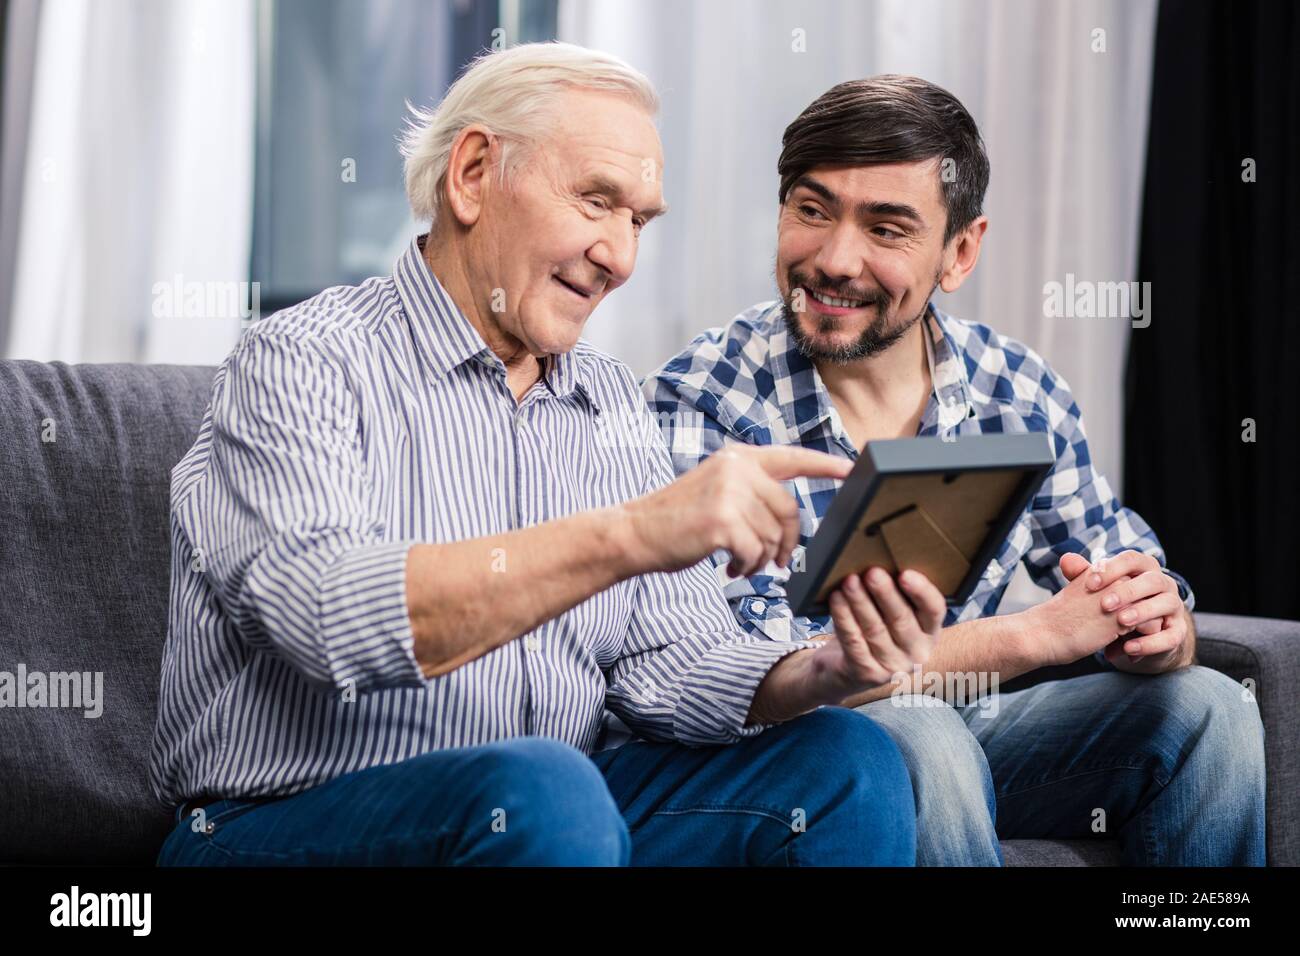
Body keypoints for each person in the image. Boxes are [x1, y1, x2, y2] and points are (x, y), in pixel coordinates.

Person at [149, 44, 941, 867]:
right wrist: (632, 534)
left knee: (848, 762)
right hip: (287, 823)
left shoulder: (605, 397)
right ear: (473, 175)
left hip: (558, 823)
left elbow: (673, 661)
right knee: (546, 789)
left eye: (637, 220)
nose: (621, 257)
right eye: (597, 200)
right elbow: (324, 617)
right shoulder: (302, 359)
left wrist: (828, 668)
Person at [644, 75, 1265, 866]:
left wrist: (1154, 620)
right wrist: (1032, 636)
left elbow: (1123, 558)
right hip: (790, 760)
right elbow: (760, 675)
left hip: (960, 722)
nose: (835, 259)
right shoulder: (702, 398)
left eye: (887, 228)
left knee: (1209, 706)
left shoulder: (1015, 387)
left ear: (959, 252)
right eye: (811, 209)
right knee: (922, 733)